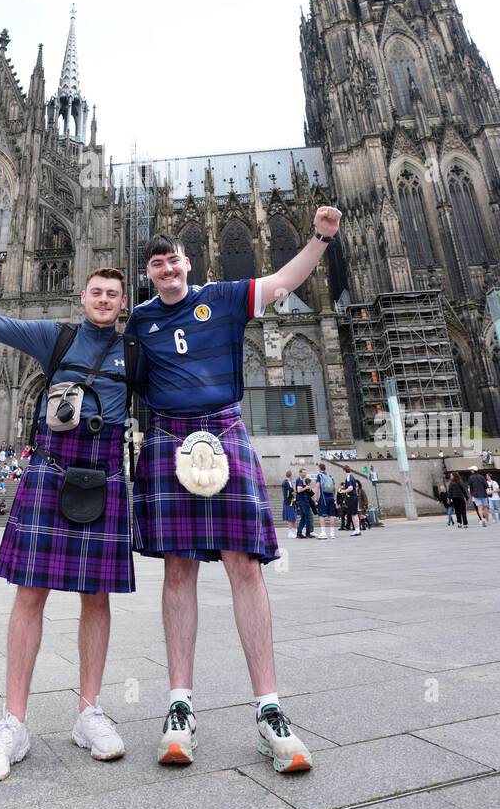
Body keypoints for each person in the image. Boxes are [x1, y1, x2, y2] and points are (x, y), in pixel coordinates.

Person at [124, 204, 341, 774]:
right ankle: (179, 707)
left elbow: (284, 281)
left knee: (246, 567)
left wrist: (321, 237)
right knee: (178, 569)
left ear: (187, 262)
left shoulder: (221, 296)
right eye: (157, 264)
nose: (167, 269)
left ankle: (270, 709)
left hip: (223, 428)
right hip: (169, 440)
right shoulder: (139, 320)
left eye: (173, 260)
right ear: (148, 272)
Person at [0, 267, 134, 784]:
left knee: (96, 597)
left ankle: (89, 714)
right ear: (83, 297)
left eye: (113, 294)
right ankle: (13, 723)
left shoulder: (137, 352)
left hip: (103, 476)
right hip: (52, 472)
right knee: (29, 594)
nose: (104, 300)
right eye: (96, 292)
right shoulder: (54, 337)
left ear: (123, 303)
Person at [313, 462, 337, 539]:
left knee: (321, 515)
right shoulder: (330, 476)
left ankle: (323, 533)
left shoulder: (320, 475)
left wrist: (316, 498)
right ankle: (332, 534)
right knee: (331, 515)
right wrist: (334, 497)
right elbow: (334, 488)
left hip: (323, 498)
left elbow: (317, 487)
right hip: (331, 498)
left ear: (319, 468)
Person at [294, 468, 315, 540]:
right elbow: (299, 490)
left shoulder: (300, 480)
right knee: (307, 517)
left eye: (305, 473)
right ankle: (308, 533)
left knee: (303, 518)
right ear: (300, 473)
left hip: (302, 501)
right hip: (303, 501)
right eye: (304, 473)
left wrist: (306, 488)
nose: (305, 474)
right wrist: (306, 487)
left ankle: (299, 533)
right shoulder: (299, 480)